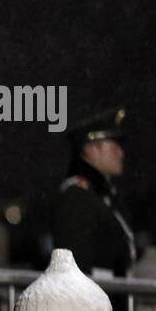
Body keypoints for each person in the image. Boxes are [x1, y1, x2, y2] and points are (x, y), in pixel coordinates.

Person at [52, 107, 136, 281]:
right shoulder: (77, 198)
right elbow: (76, 270)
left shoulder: (100, 196)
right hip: (97, 302)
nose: (121, 153)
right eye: (113, 146)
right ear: (91, 149)